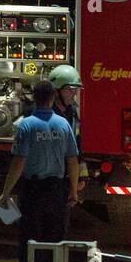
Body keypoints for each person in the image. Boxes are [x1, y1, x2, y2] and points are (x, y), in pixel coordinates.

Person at [0, 78, 79, 262]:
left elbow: (19, 162)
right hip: (57, 192)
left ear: (35, 98)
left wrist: (5, 192)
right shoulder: (63, 125)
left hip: (33, 193)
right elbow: (72, 161)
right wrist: (72, 191)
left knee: (30, 247)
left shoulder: (26, 126)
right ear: (53, 98)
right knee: (54, 245)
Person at [48, 64, 87, 200]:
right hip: (46, 182)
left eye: (76, 89)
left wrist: (80, 177)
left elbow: (77, 147)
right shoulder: (45, 116)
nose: (75, 93)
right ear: (56, 91)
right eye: (70, 89)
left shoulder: (71, 113)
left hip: (63, 179)